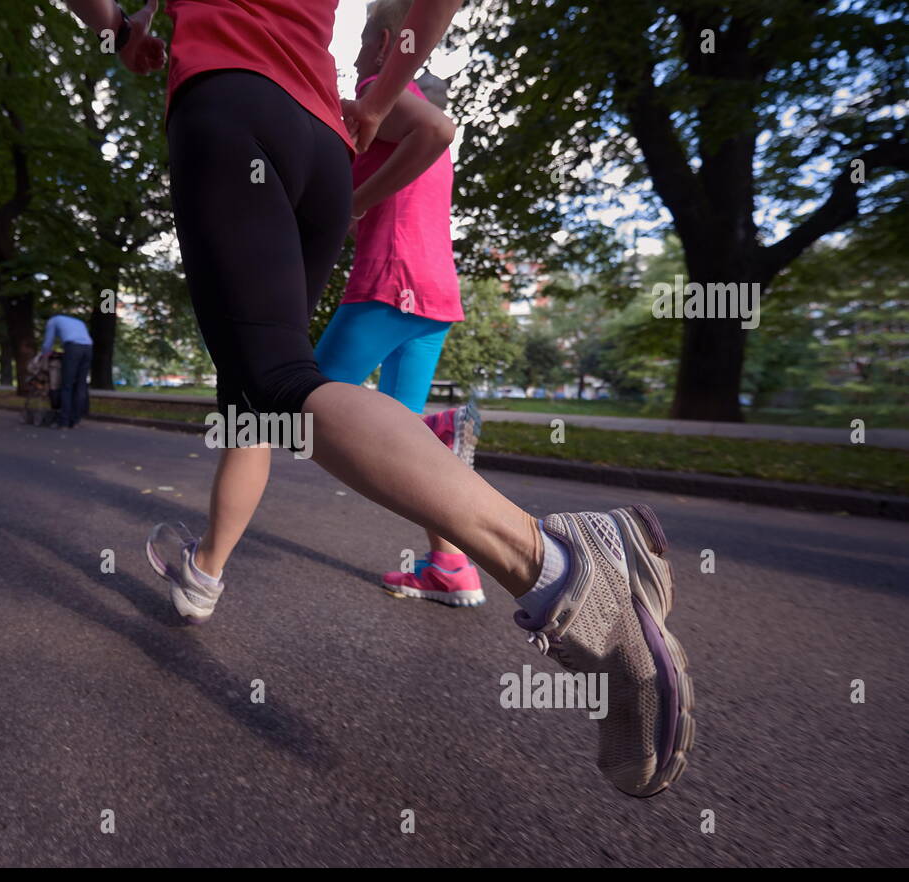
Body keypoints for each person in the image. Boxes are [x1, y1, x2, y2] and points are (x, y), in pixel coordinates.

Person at [66, 0, 694, 797]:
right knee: (261, 391)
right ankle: (204, 572)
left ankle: (565, 565)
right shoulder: (365, 81)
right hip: (321, 143)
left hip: (229, 104)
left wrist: (122, 29)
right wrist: (374, 97)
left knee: (279, 384)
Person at [313, 0, 484, 608]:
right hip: (434, 295)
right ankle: (450, 566)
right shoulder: (415, 112)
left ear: (387, 42)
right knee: (408, 452)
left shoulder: (377, 97)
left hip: (392, 282)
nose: (355, 52)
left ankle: (434, 431)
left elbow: (430, 139)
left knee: (297, 404)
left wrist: (354, 202)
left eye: (361, 37)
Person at [40, 312, 93, 428]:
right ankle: (75, 420)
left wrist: (44, 356)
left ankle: (64, 421)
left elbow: (48, 343)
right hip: (88, 349)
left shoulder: (53, 320)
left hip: (73, 348)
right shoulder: (78, 322)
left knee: (67, 385)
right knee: (80, 385)